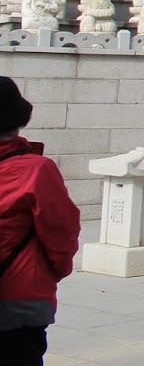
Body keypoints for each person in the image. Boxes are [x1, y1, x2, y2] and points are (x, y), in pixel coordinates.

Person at [0, 76, 81, 366]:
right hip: (18, 296)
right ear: (19, 121)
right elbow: (62, 231)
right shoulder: (35, 170)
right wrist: (55, 270)